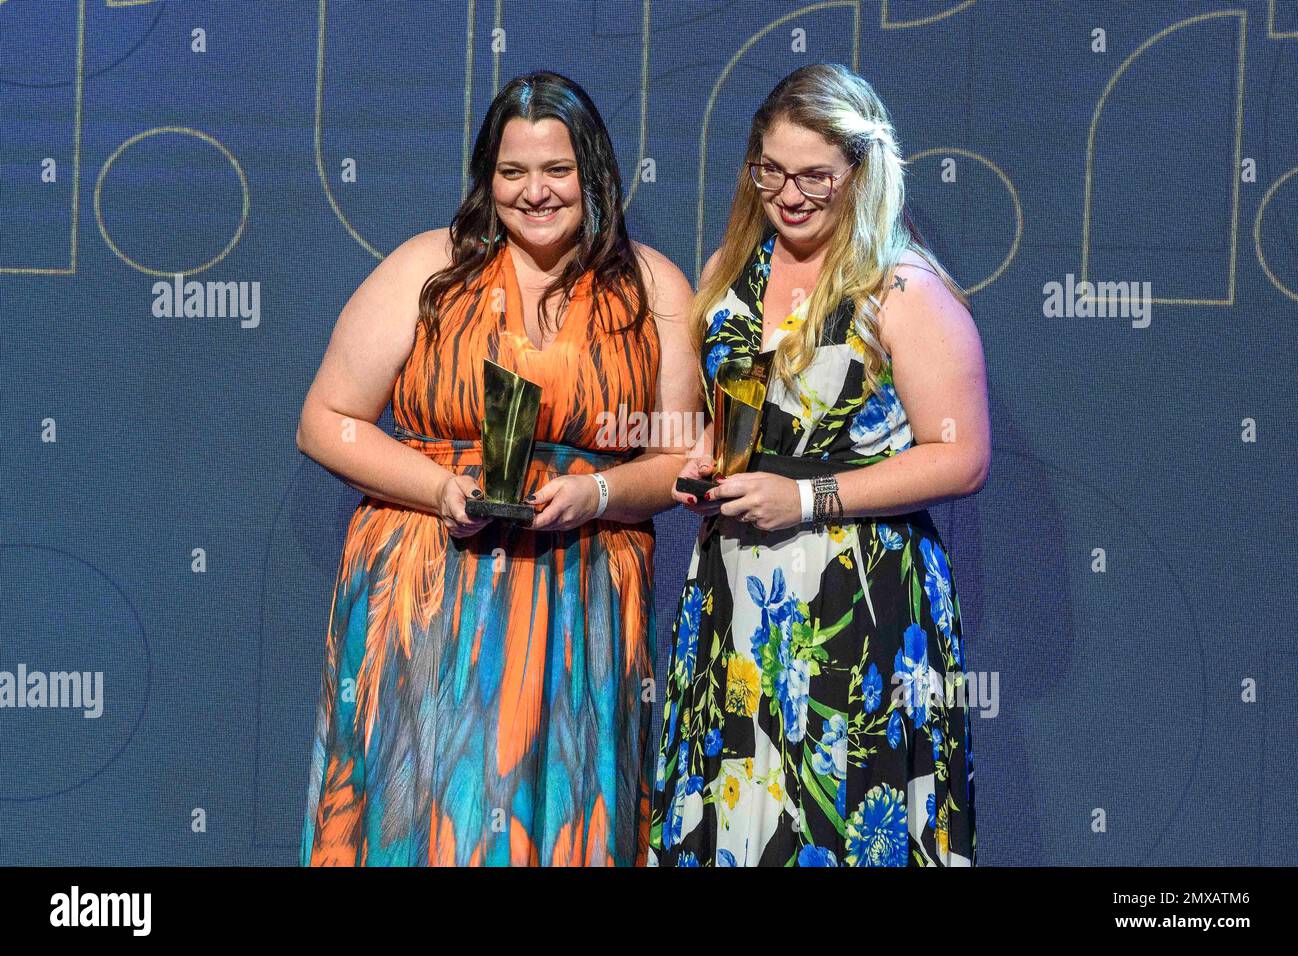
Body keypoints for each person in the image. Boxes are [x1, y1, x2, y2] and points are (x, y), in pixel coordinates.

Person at [297, 71, 697, 866]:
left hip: (581, 596)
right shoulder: (427, 268)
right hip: (429, 591)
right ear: (488, 178)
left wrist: (599, 492)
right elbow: (325, 421)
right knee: (424, 816)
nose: (534, 192)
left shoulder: (652, 286)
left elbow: (685, 455)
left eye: (557, 170)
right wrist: (440, 489)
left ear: (595, 173)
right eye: (513, 172)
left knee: (561, 823)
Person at [648, 63, 989, 867]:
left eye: (814, 177)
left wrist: (808, 499)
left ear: (861, 174)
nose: (789, 194)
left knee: (836, 819)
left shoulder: (901, 288)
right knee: (737, 814)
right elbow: (716, 422)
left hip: (858, 597)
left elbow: (963, 456)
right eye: (771, 171)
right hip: (735, 592)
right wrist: (704, 458)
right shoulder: (728, 278)